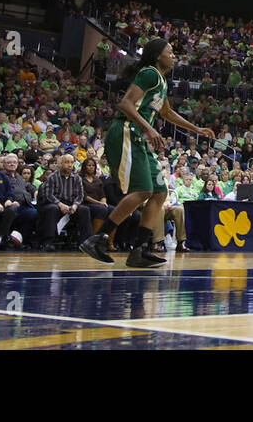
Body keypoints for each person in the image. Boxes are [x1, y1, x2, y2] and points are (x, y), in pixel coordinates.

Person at [80, 39, 212, 268]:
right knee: (143, 191)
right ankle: (98, 239)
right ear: (157, 55)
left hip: (138, 136)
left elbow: (168, 112)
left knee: (160, 192)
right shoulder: (149, 74)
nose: (173, 56)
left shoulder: (161, 81)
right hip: (125, 131)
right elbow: (126, 104)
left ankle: (139, 250)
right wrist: (149, 128)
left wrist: (196, 129)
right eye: (169, 52)